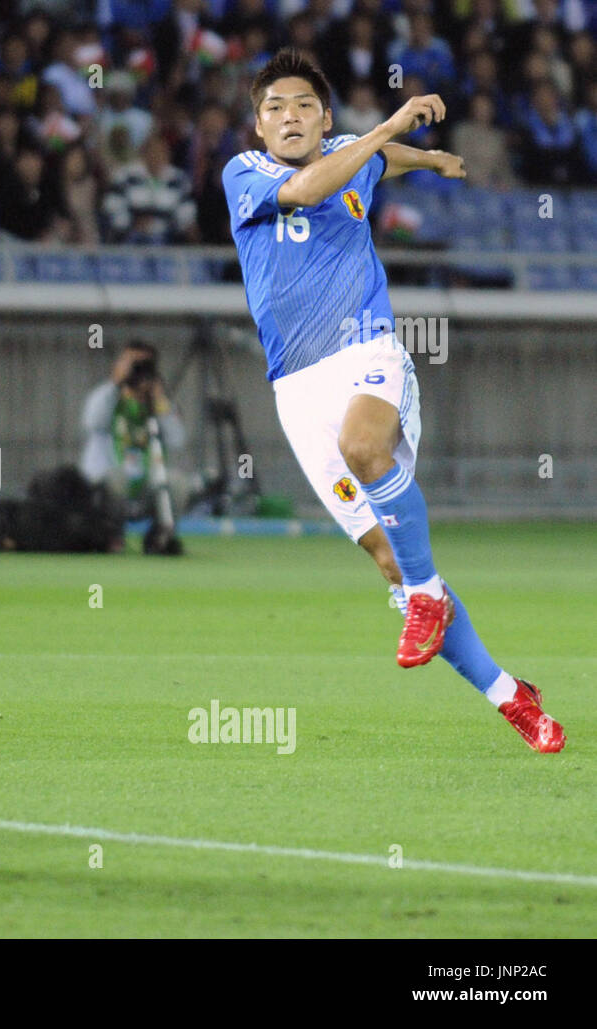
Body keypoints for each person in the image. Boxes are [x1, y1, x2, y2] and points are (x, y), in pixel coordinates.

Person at [220, 48, 564, 752]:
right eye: (275, 108)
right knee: (388, 562)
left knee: (366, 447)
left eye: (303, 106)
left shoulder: (355, 150)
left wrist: (429, 157)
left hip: (367, 349)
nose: (289, 117)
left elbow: (379, 160)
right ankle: (509, 693)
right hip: (295, 386)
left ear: (325, 118)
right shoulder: (244, 173)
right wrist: (389, 134)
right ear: (258, 126)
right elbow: (316, 187)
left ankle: (428, 591)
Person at [80, 342, 185, 555]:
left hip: (146, 483)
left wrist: (159, 401)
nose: (138, 369)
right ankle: (110, 536)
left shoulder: (158, 402)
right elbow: (92, 422)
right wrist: (116, 384)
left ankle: (159, 538)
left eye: (145, 364)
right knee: (117, 478)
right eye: (132, 363)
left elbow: (177, 440)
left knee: (177, 483)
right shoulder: (106, 396)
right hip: (109, 483)